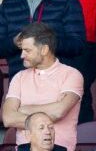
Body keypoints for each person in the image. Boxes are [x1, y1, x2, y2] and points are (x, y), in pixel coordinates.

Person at [1, 22, 84, 151]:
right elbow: (7, 118)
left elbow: (58, 112)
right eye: (22, 50)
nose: (22, 55)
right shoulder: (19, 77)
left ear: (44, 50)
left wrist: (23, 109)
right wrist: (47, 114)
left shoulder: (72, 74)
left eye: (27, 50)